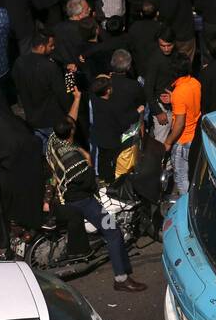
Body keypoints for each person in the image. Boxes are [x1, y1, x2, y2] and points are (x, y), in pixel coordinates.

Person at [45, 89, 145, 293]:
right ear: (71, 133)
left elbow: (69, 119)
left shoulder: (53, 141)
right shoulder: (77, 162)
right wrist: (89, 161)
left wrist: (77, 98)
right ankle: (121, 278)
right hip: (83, 202)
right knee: (113, 232)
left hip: (62, 195)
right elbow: (91, 185)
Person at [162, 57, 201, 197]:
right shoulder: (195, 83)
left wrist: (168, 142)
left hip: (183, 141)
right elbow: (189, 104)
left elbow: (179, 124)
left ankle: (187, 205)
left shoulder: (179, 92)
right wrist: (173, 98)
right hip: (196, 136)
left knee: (181, 178)